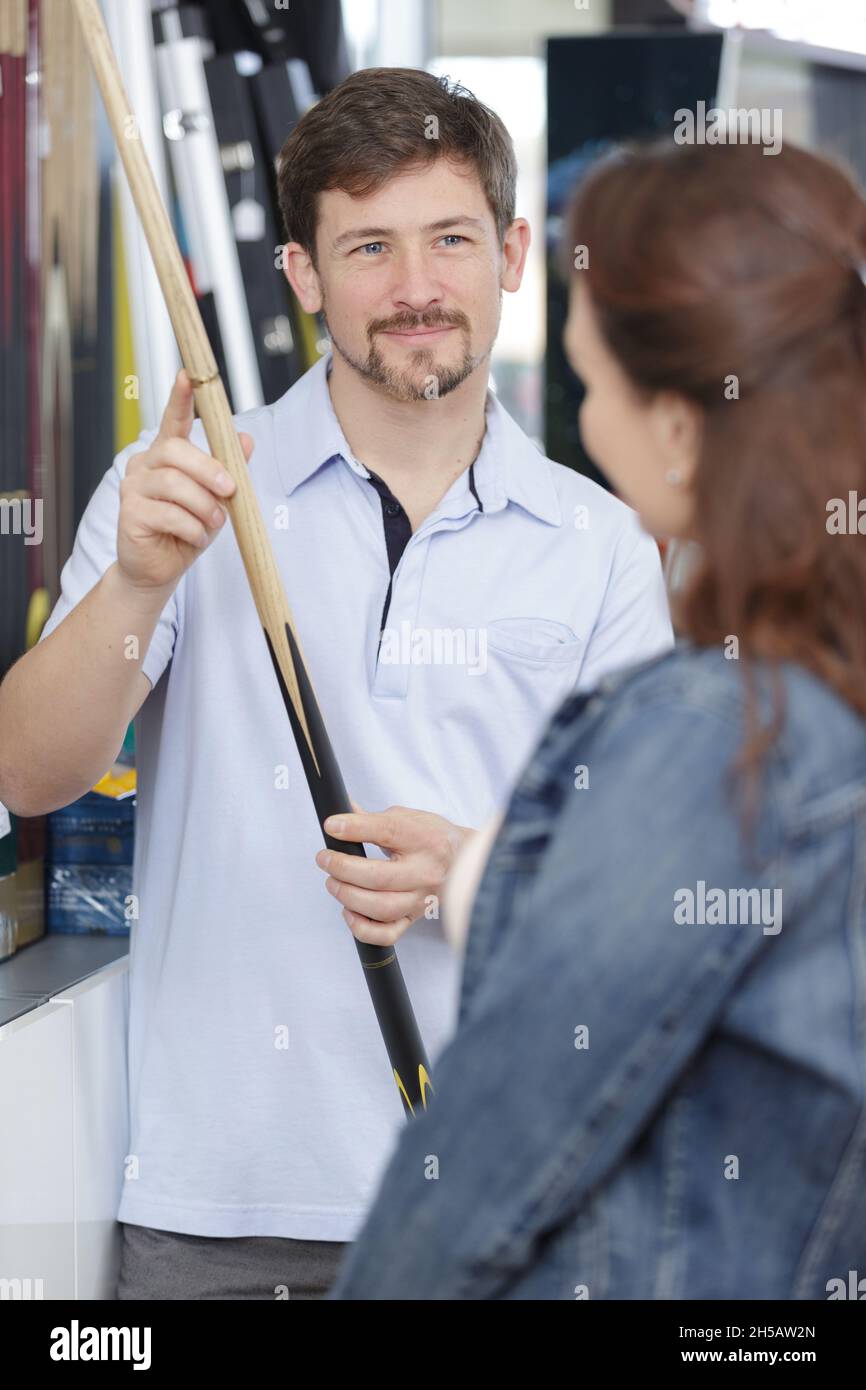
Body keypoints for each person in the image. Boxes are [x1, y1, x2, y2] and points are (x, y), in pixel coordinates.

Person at [0, 69, 670, 1300]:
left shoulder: (602, 549)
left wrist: (477, 874)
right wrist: (141, 583)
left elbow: (639, 899)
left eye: (449, 239)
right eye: (367, 245)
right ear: (303, 276)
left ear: (511, 253)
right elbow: (29, 772)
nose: (415, 288)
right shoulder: (187, 487)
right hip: (219, 1210)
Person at [330, 137, 866, 1301]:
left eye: (588, 378)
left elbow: (493, 1152)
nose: (574, 411)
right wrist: (487, 877)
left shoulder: (711, 728)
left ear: (677, 426)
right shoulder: (821, 700)